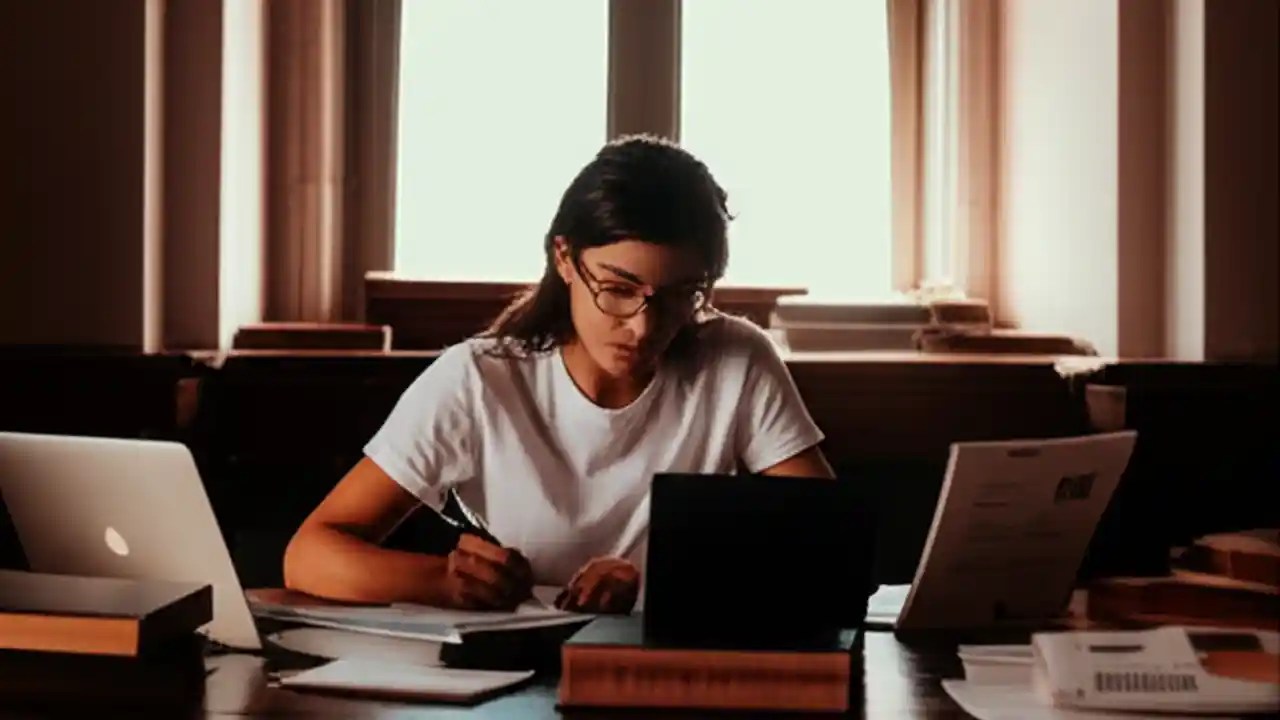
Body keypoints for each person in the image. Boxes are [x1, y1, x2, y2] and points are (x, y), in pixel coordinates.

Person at [283, 135, 834, 616]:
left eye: (679, 297)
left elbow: (827, 544)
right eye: (617, 289)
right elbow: (310, 554)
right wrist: (440, 581)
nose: (643, 327)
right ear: (565, 259)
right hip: (519, 679)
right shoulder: (480, 379)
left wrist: (656, 586)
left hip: (678, 672)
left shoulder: (736, 359)